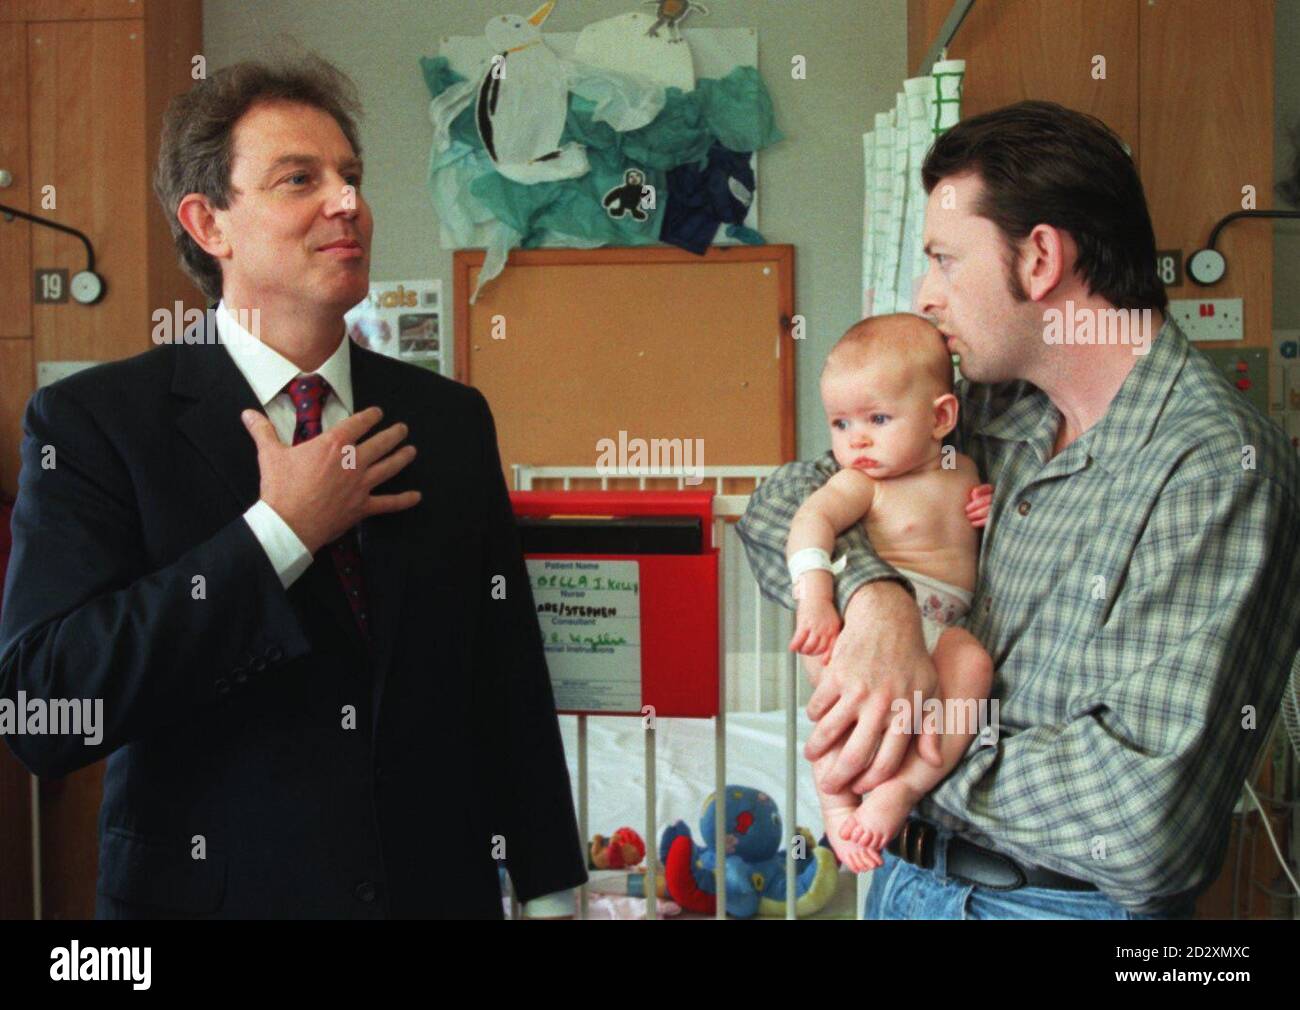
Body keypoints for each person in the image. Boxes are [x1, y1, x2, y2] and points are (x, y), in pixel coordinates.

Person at [0, 53, 586, 918]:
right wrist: (278, 533)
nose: (347, 201)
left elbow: (505, 676)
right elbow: (43, 706)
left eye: (351, 175)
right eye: (298, 179)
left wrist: (549, 887)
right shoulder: (95, 424)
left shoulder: (450, 420)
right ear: (209, 223)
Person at [737, 100, 1300, 919]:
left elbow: (1138, 819)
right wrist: (876, 599)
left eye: (942, 260)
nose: (926, 297)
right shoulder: (989, 409)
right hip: (903, 882)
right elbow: (778, 503)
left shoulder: (1213, 468)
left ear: (1039, 259)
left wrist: (899, 745)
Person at [786, 314, 992, 874]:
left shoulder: (963, 464)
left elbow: (978, 525)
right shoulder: (860, 482)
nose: (857, 440)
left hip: (941, 629)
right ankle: (836, 801)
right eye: (840, 423)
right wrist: (815, 596)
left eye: (877, 418)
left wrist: (988, 509)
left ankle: (902, 787)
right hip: (867, 634)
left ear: (940, 418)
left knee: (971, 666)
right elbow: (810, 521)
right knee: (845, 702)